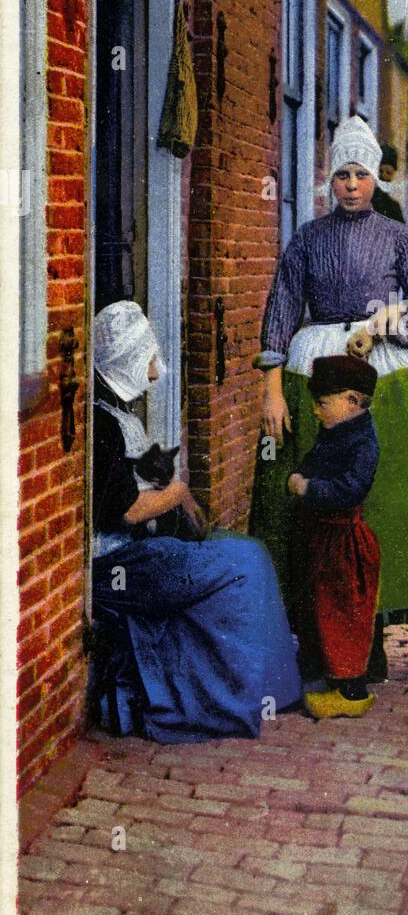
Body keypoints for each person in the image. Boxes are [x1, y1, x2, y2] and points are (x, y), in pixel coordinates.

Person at [251, 115, 408, 678]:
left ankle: (372, 633)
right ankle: (315, 632)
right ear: (330, 180)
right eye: (342, 175)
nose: (352, 185)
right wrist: (271, 390)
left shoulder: (401, 239)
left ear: (376, 180)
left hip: (385, 375)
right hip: (314, 370)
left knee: (379, 502)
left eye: (361, 173)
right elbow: (280, 311)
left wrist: (392, 317)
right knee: (311, 505)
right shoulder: (307, 240)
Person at [91, 300, 301, 742]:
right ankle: (235, 694)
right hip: (115, 567)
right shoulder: (102, 424)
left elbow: (147, 478)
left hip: (138, 553)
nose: (154, 372)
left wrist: (173, 493)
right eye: (148, 359)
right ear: (128, 360)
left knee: (248, 552)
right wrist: (180, 493)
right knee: (241, 565)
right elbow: (124, 509)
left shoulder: (121, 416)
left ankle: (263, 687)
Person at [288, 355, 381, 719]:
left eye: (323, 402)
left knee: (345, 613)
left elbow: (351, 488)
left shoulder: (363, 443)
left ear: (353, 401)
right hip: (322, 538)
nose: (315, 410)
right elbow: (314, 462)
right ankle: (327, 676)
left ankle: (352, 691)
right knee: (320, 610)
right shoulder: (336, 433)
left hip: (344, 543)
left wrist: (309, 487)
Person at [371, 143, 405, 222]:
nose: (383, 176)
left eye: (388, 173)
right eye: (380, 171)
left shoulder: (393, 207)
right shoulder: (361, 202)